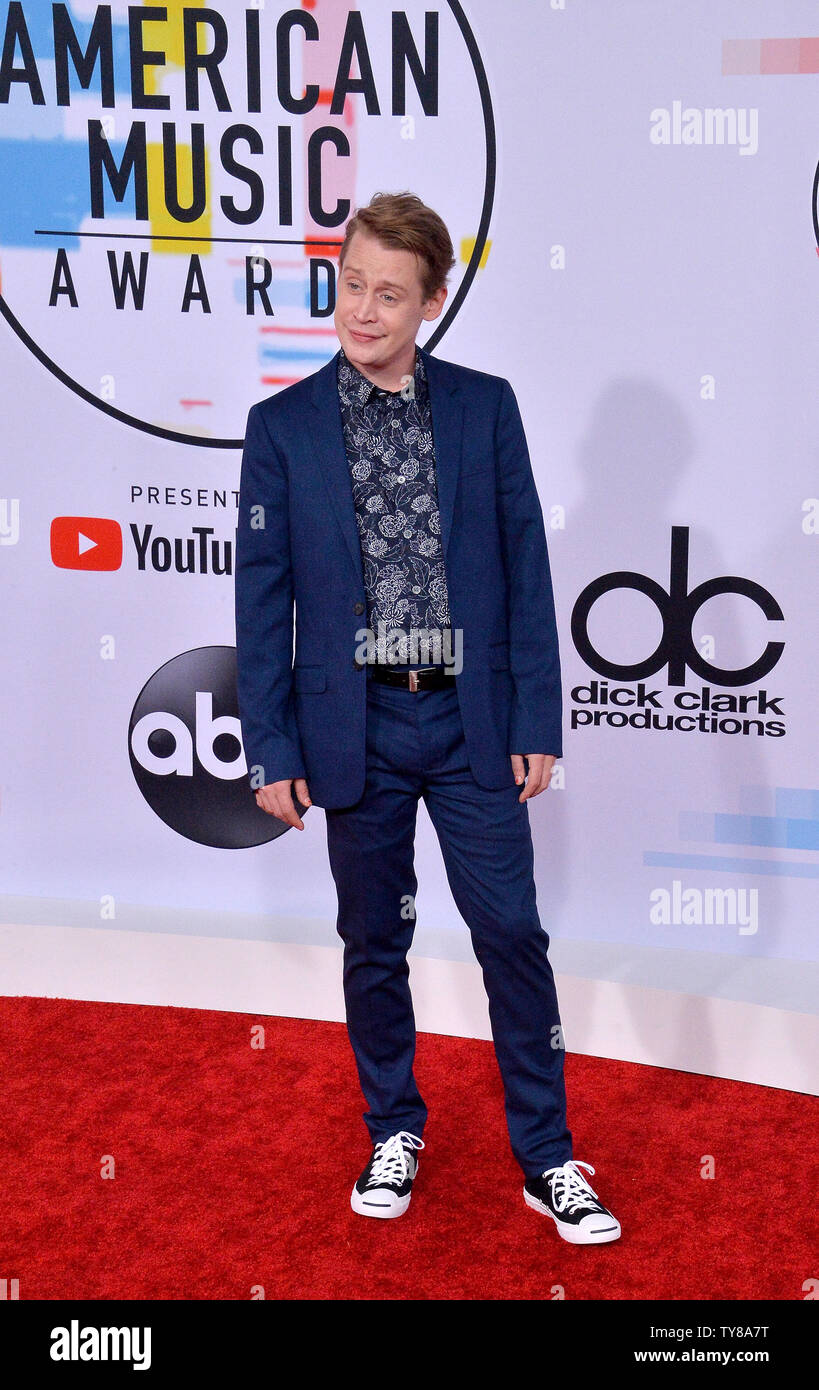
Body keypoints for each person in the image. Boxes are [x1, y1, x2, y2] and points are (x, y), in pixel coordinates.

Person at [235, 191, 620, 1245]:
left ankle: (548, 1155)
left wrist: (537, 713)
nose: (363, 310)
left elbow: (527, 571)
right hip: (350, 726)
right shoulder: (280, 429)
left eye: (389, 293)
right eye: (352, 284)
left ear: (432, 303)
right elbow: (262, 600)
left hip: (471, 721)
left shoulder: (488, 409)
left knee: (511, 936)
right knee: (374, 941)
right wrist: (270, 742)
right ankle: (393, 1128)